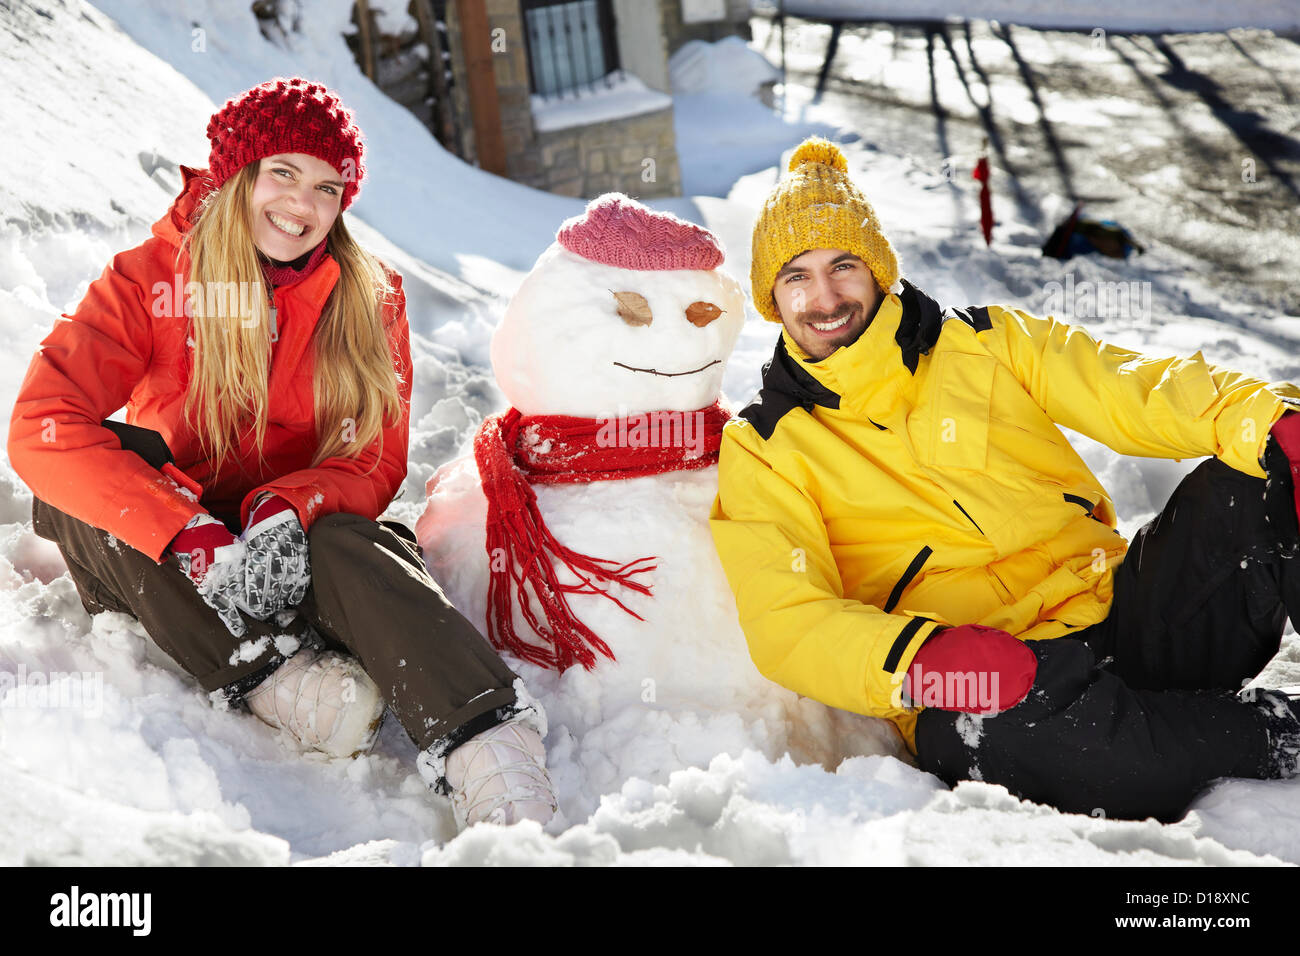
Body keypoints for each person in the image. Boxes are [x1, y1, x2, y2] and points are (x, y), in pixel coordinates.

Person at [8, 77, 555, 830]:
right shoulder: (149, 279)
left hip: (297, 542)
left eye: (328, 187)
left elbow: (373, 458)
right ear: (238, 174)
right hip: (175, 563)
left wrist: (286, 507)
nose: (303, 206)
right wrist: (184, 527)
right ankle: (276, 679)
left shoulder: (370, 297)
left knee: (353, 539)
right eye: (284, 174)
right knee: (72, 493)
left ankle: (489, 743)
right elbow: (45, 422)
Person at [709, 137, 1300, 822]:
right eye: (796, 277)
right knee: (1011, 737)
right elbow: (788, 619)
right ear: (772, 301)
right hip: (994, 683)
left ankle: (1154, 725)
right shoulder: (764, 447)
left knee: (1269, 468)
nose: (826, 297)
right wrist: (919, 658)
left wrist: (1267, 419)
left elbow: (1135, 390)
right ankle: (1273, 736)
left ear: (877, 270)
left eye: (843, 265)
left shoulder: (987, 342)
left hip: (1129, 619)